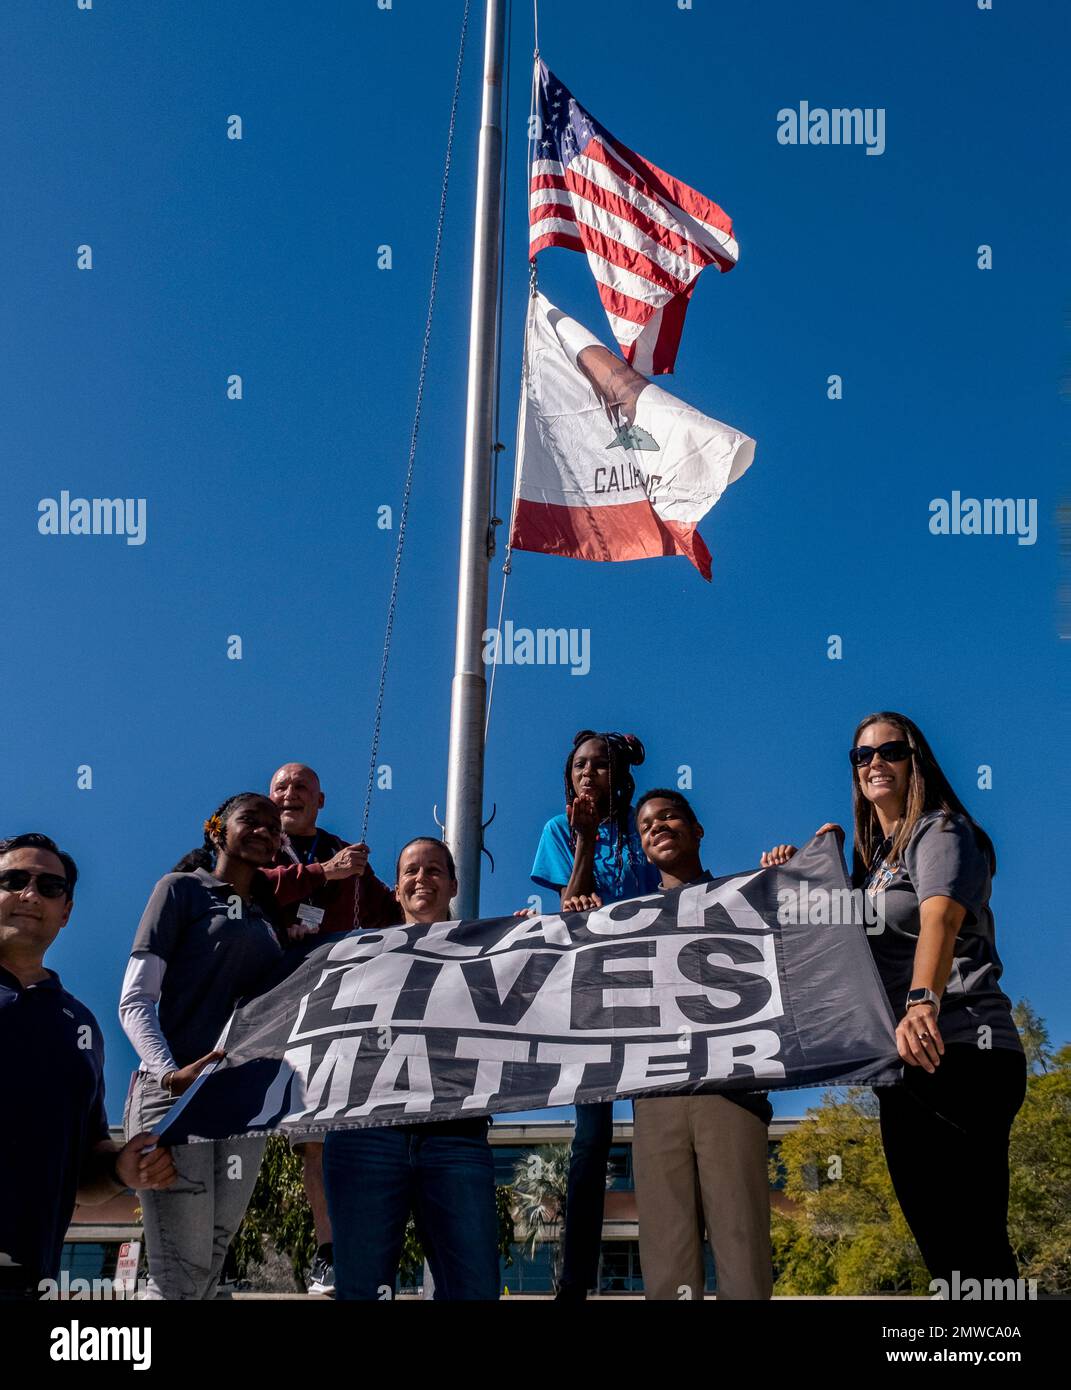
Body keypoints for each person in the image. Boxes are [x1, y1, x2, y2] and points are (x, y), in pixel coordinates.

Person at [759, 711, 1026, 1288]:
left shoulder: (941, 830)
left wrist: (923, 1000)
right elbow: (831, 945)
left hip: (964, 1047)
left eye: (890, 751)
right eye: (862, 755)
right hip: (904, 1071)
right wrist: (794, 874)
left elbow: (940, 916)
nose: (875, 762)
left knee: (974, 1244)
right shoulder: (873, 865)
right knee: (944, 1254)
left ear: (916, 761)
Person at [118, 793, 285, 1300]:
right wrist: (169, 1073)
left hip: (240, 1106)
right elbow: (135, 999)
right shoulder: (181, 891)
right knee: (180, 1269)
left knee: (211, 1260)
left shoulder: (268, 920)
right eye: (249, 821)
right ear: (217, 831)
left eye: (273, 827)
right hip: (174, 1096)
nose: (263, 831)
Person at [322, 837, 499, 1301]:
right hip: (364, 1133)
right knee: (362, 1292)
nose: (422, 879)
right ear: (396, 889)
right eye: (411, 872)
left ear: (454, 884)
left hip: (456, 1134)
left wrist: (533, 945)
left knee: (474, 1290)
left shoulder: (493, 952)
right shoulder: (356, 950)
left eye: (435, 871)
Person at [0, 833, 175, 1300]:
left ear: (66, 911)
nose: (30, 894)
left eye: (49, 886)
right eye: (13, 880)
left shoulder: (79, 1025)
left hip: (26, 1273)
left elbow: (83, 1174)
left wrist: (121, 1169)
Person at [257, 762, 400, 1297]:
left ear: (320, 800)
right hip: (264, 1008)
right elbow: (240, 890)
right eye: (280, 788)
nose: (289, 794)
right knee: (240, 1129)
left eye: (300, 788)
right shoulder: (258, 846)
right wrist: (320, 877)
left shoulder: (349, 854)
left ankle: (333, 1253)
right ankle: (199, 1252)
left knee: (325, 1136)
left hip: (337, 1010)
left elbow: (398, 913)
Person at [530, 729, 660, 1302]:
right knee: (591, 1141)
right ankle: (574, 1287)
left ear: (621, 776)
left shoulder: (647, 823)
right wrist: (584, 841)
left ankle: (672, 1277)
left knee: (662, 1135)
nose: (587, 774)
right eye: (578, 766)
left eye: (599, 766)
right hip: (593, 1004)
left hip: (658, 995)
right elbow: (571, 909)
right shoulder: (558, 830)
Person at [630, 791, 773, 1301]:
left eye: (668, 816)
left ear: (697, 830)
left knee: (743, 1252)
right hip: (655, 1092)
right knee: (667, 1263)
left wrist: (798, 873)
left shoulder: (747, 897)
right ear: (642, 847)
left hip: (730, 1088)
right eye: (646, 824)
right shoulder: (623, 919)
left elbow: (809, 927)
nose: (657, 826)